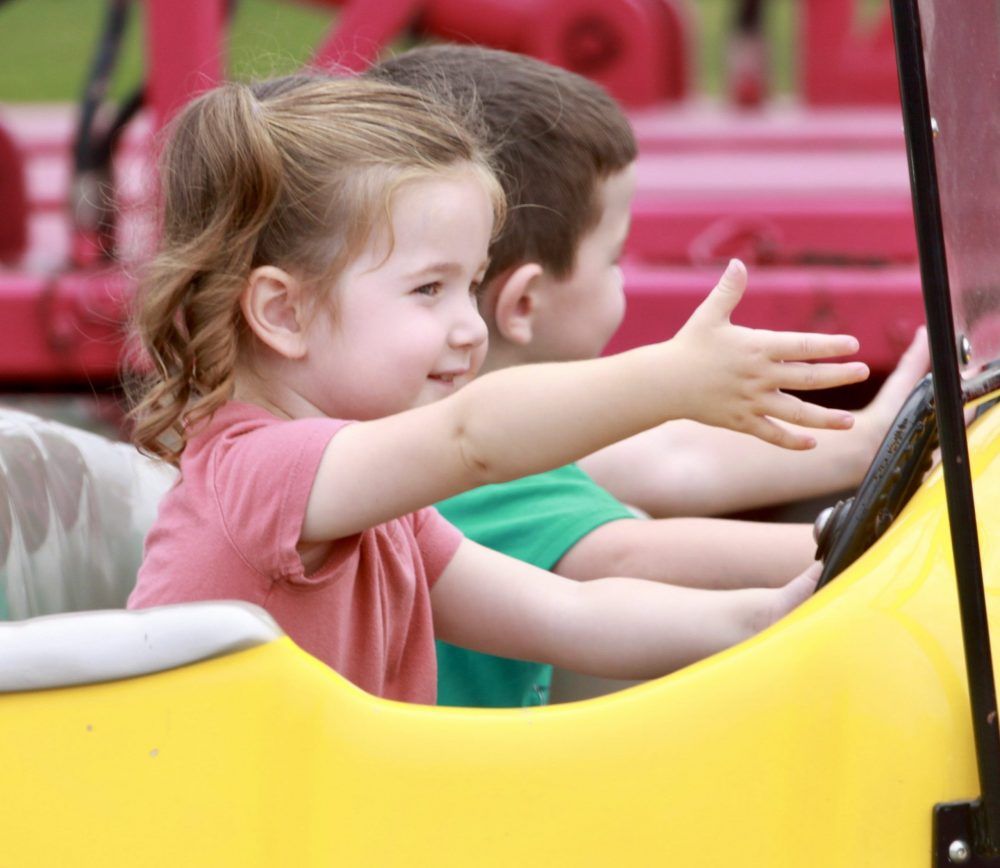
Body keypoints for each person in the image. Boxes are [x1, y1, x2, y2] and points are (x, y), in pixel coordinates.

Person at [126, 74, 869, 705]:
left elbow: (570, 613)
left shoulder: (379, 513)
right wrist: (671, 379)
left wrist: (769, 616)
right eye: (429, 289)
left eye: (472, 283)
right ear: (283, 313)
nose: (470, 327)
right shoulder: (258, 477)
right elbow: (473, 438)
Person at [369, 46, 928, 707]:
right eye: (615, 258)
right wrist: (909, 540)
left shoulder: (439, 423)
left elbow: (672, 457)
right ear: (524, 303)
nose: (625, 279)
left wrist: (867, 441)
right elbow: (626, 556)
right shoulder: (450, 458)